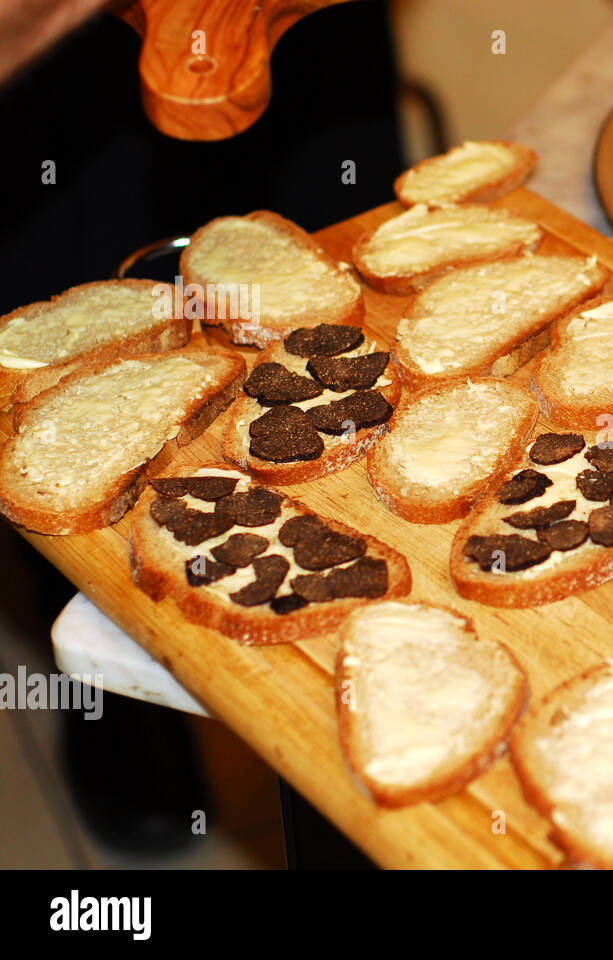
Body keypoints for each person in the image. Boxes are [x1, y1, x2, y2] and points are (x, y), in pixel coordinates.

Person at [0, 0, 410, 867]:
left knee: (337, 248)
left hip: (308, 45)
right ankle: (117, 704)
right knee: (61, 424)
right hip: (44, 99)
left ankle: (374, 702)